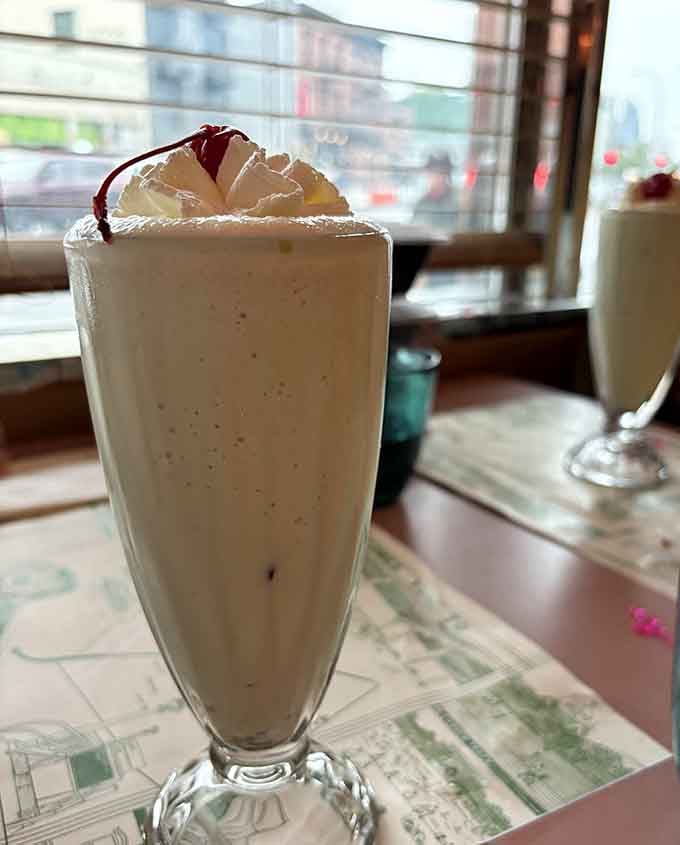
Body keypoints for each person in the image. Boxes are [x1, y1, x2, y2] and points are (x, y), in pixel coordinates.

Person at [412, 152, 458, 233]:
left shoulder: (458, 200)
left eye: (441, 172)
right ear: (428, 174)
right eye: (433, 172)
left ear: (447, 175)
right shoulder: (421, 204)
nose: (437, 177)